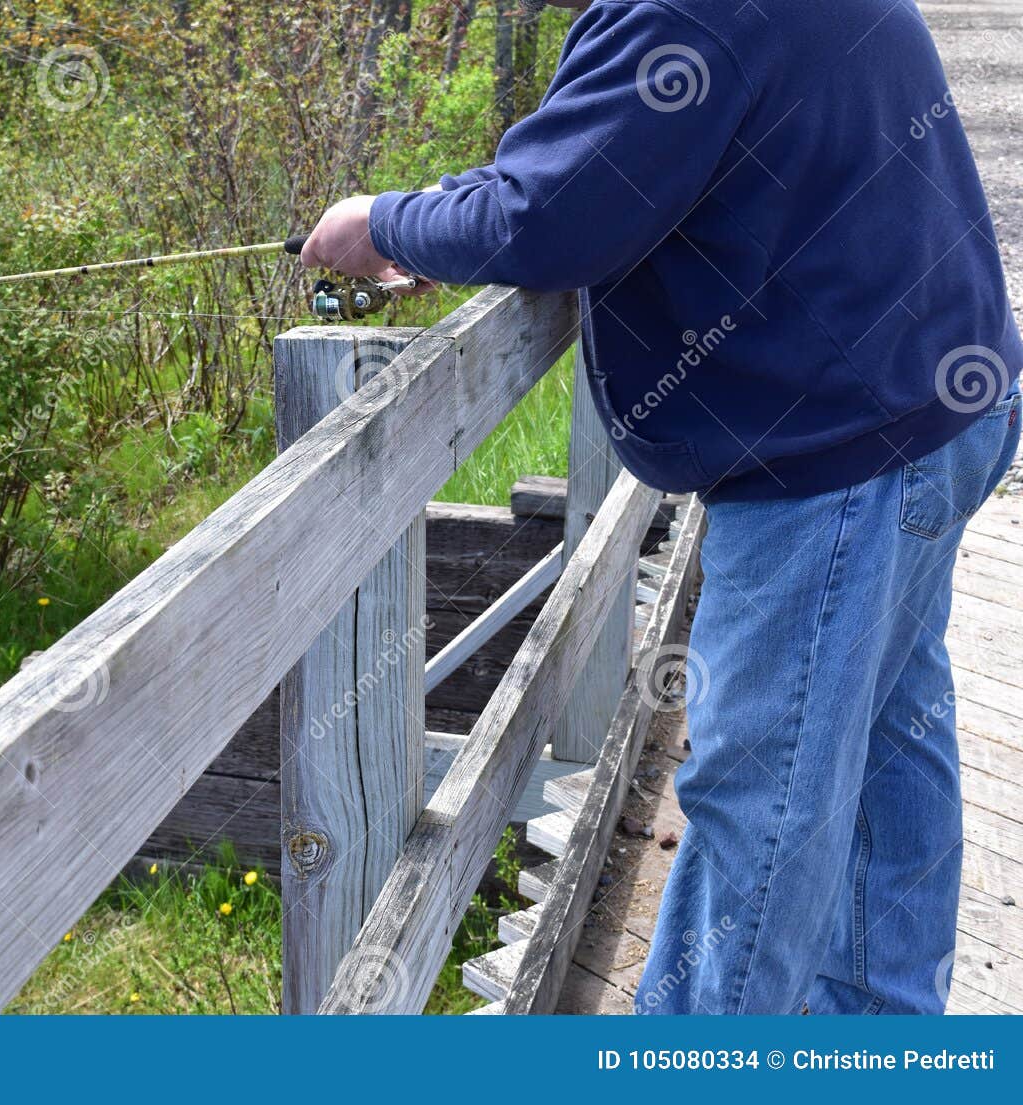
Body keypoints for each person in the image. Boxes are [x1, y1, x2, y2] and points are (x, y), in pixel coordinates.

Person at [299, 0, 1021, 1014]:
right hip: (940, 400)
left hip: (837, 458)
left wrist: (377, 222)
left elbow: (546, 219)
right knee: (888, 739)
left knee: (761, 806)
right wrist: (449, 214)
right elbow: (585, 170)